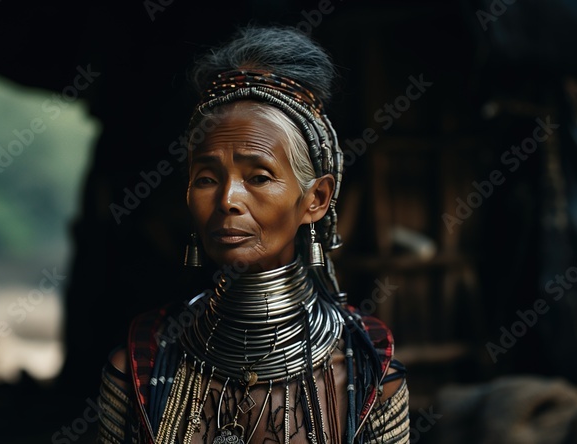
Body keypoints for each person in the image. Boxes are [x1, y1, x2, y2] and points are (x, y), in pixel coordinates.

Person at [95, 27, 409, 444]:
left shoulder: (368, 372)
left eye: (259, 177)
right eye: (207, 178)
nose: (228, 199)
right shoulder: (141, 366)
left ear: (316, 198)